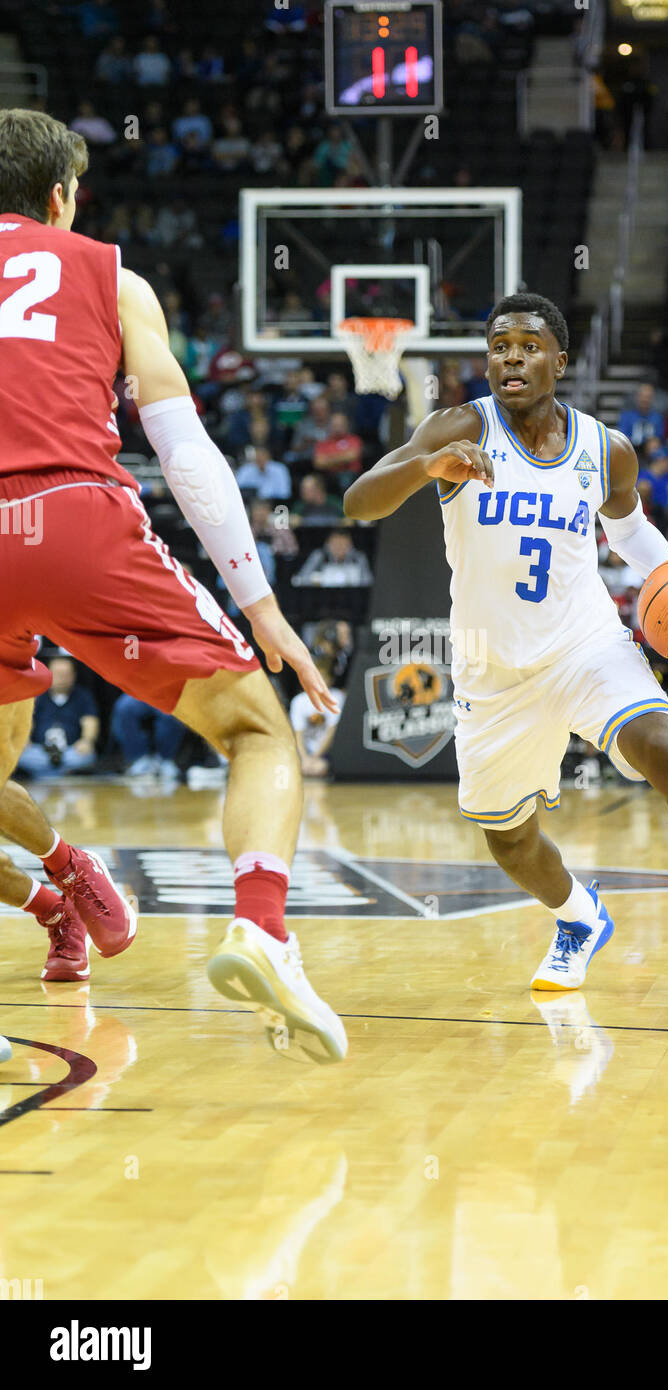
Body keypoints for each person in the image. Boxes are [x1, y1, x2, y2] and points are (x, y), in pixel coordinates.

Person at [343, 291, 668, 1003]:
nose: (511, 356)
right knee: (510, 842)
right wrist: (427, 467)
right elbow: (359, 503)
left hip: (583, 644)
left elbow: (628, 534)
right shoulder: (457, 426)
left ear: (560, 361)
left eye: (528, 345)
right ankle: (578, 917)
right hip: (493, 670)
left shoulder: (606, 451)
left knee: (665, 746)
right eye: (499, 345)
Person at [0, 109, 344, 1062]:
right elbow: (185, 454)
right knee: (256, 730)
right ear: (62, 199)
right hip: (73, 515)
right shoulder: (110, 275)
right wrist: (260, 603)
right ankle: (261, 928)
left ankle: (65, 887)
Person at [16, 656, 99, 778]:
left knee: (86, 756)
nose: (62, 679)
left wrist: (87, 741)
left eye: (66, 674)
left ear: (74, 675)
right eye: (58, 674)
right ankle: (59, 776)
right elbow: (27, 720)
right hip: (39, 752)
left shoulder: (83, 696)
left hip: (71, 752)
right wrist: (24, 739)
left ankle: (47, 776)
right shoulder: (36, 695)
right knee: (20, 754)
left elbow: (90, 721)